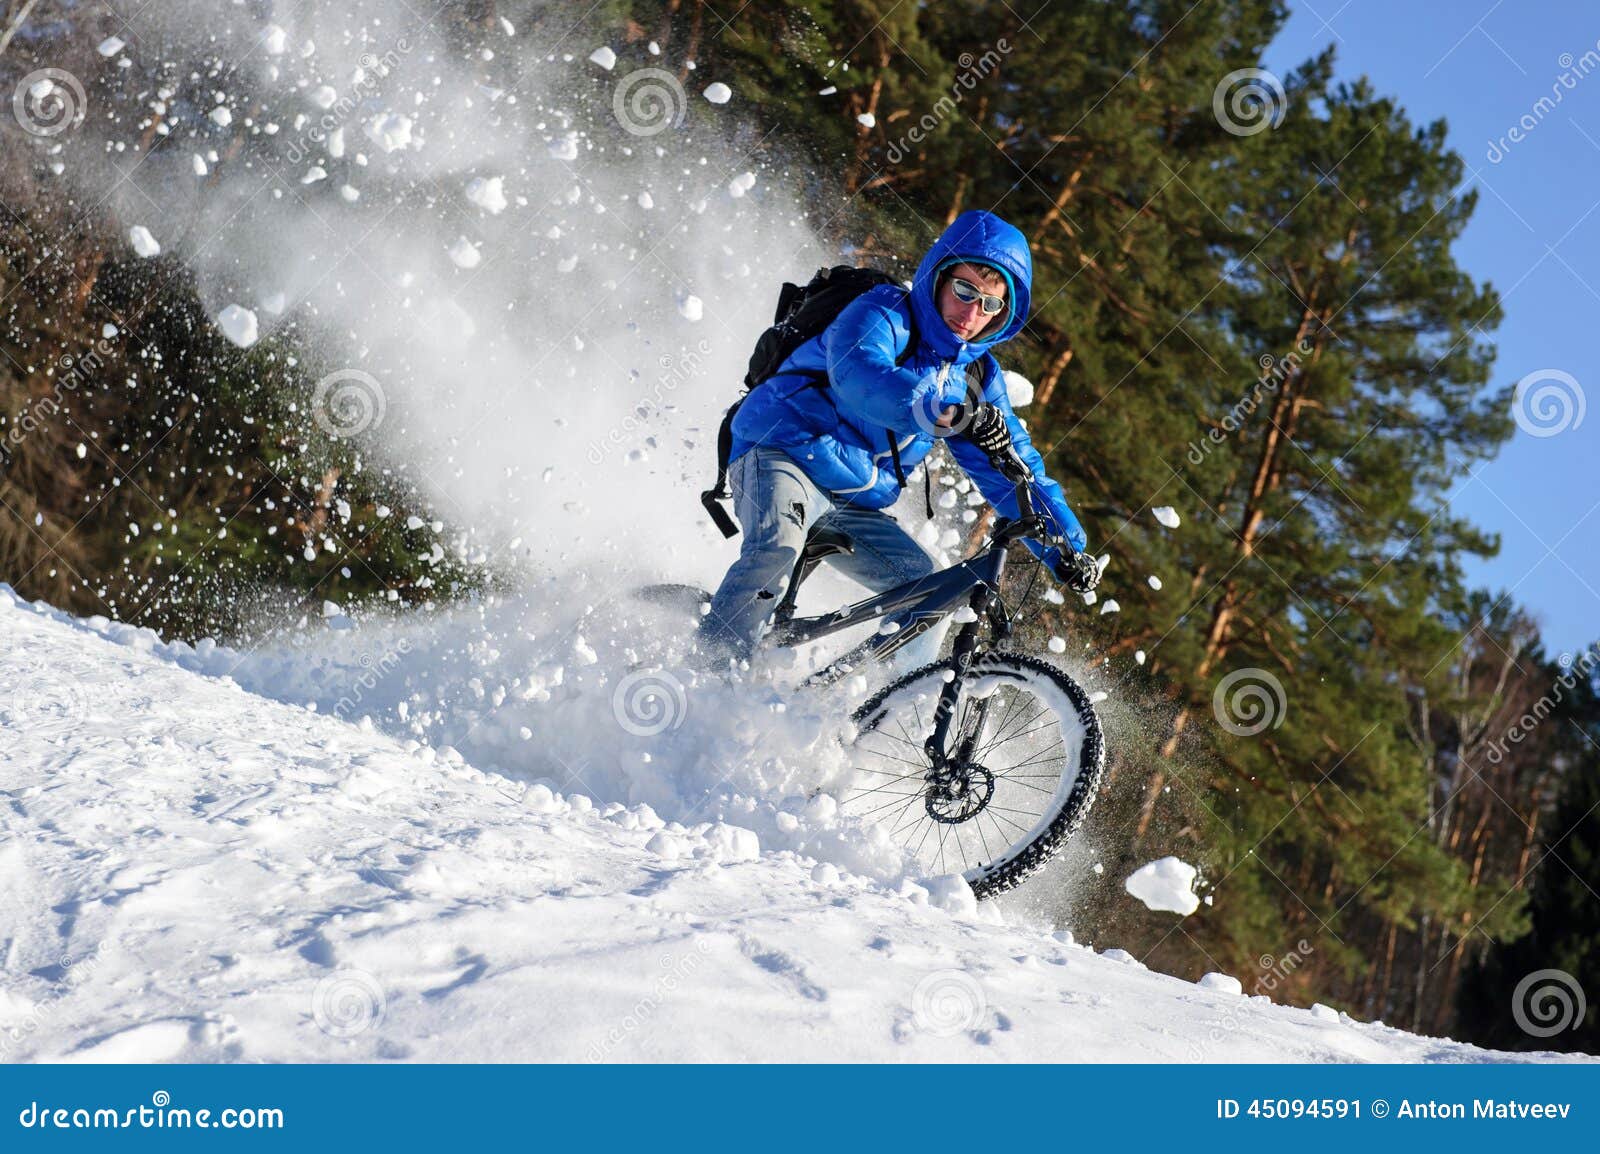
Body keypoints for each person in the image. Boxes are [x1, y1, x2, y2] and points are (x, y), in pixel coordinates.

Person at [697, 209, 1100, 671]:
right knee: (777, 548)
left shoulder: (974, 375)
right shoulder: (884, 310)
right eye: (965, 291)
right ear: (938, 277)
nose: (972, 314)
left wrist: (1065, 546)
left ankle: (869, 714)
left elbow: (1010, 467)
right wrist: (941, 412)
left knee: (927, 592)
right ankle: (704, 678)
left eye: (990, 305)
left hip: (852, 499)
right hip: (781, 450)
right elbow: (859, 374)